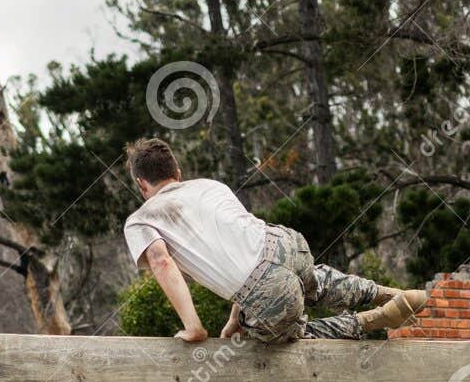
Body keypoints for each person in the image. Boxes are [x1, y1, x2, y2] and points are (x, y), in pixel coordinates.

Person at [122, 138, 427, 344]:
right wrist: (239, 315)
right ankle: (388, 293)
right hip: (285, 242)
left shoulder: (142, 218)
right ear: (178, 172)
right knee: (313, 284)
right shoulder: (209, 186)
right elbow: (245, 248)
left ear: (140, 184)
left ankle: (372, 320)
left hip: (264, 286)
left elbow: (162, 261)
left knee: (279, 339)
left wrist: (195, 327)